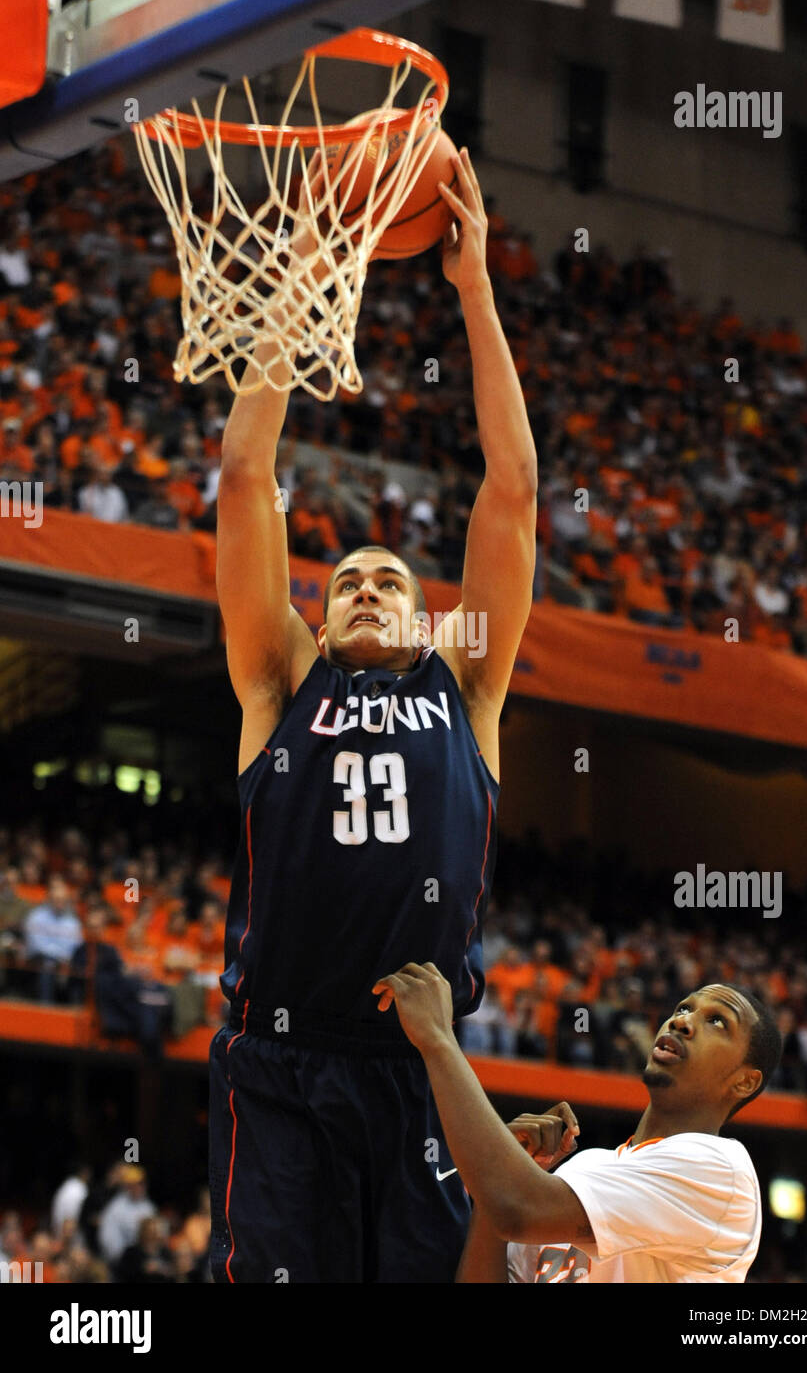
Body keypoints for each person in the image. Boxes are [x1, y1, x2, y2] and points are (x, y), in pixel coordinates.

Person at [210, 146, 537, 1283]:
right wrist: (301, 275)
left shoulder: (469, 683)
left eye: (388, 579)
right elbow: (247, 477)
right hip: (279, 1065)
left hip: (421, 1068)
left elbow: (512, 490)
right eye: (343, 576)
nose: (361, 585)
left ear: (427, 617)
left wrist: (474, 288)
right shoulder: (278, 679)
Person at [374, 969, 781, 1283]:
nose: (682, 1022)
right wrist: (492, 1198)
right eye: (682, 1008)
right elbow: (510, 1213)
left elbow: (519, 1210)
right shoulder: (580, 1171)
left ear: (744, 1081)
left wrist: (439, 1040)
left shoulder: (721, 1169)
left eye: (717, 1022)